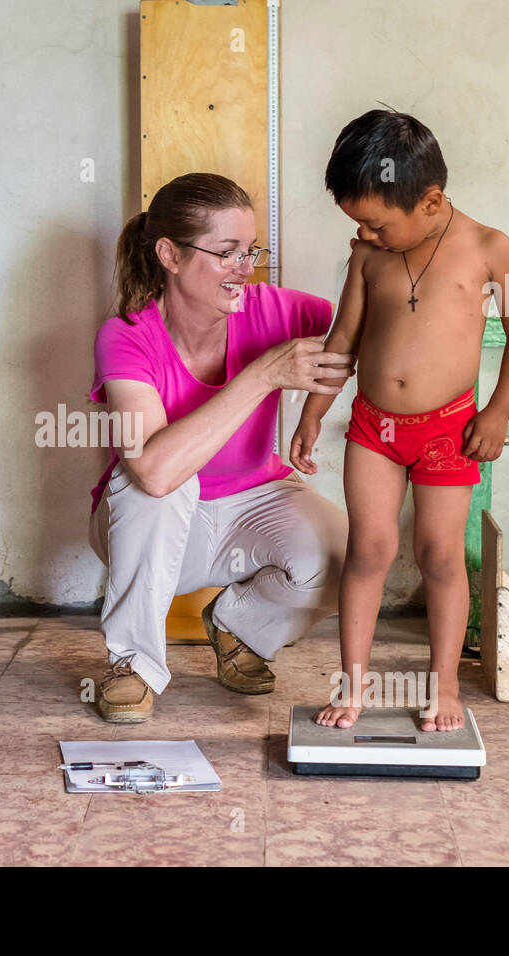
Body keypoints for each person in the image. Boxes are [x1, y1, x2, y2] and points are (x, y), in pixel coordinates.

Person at [295, 109, 509, 732]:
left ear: (430, 201)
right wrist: (310, 413)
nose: (366, 236)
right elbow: (343, 339)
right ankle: (352, 687)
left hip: (450, 431)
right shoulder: (368, 259)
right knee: (368, 549)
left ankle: (445, 687)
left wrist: (500, 412)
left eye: (376, 224)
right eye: (358, 226)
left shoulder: (490, 249)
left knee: (439, 556)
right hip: (374, 429)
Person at [88, 172, 355, 723]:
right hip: (153, 529)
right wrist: (262, 376)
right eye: (228, 252)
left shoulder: (277, 310)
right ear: (170, 254)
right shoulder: (127, 334)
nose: (245, 268)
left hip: (255, 502)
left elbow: (362, 321)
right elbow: (155, 473)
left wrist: (378, 255)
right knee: (155, 486)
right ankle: (131, 665)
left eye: (250, 251)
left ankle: (240, 627)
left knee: (349, 553)